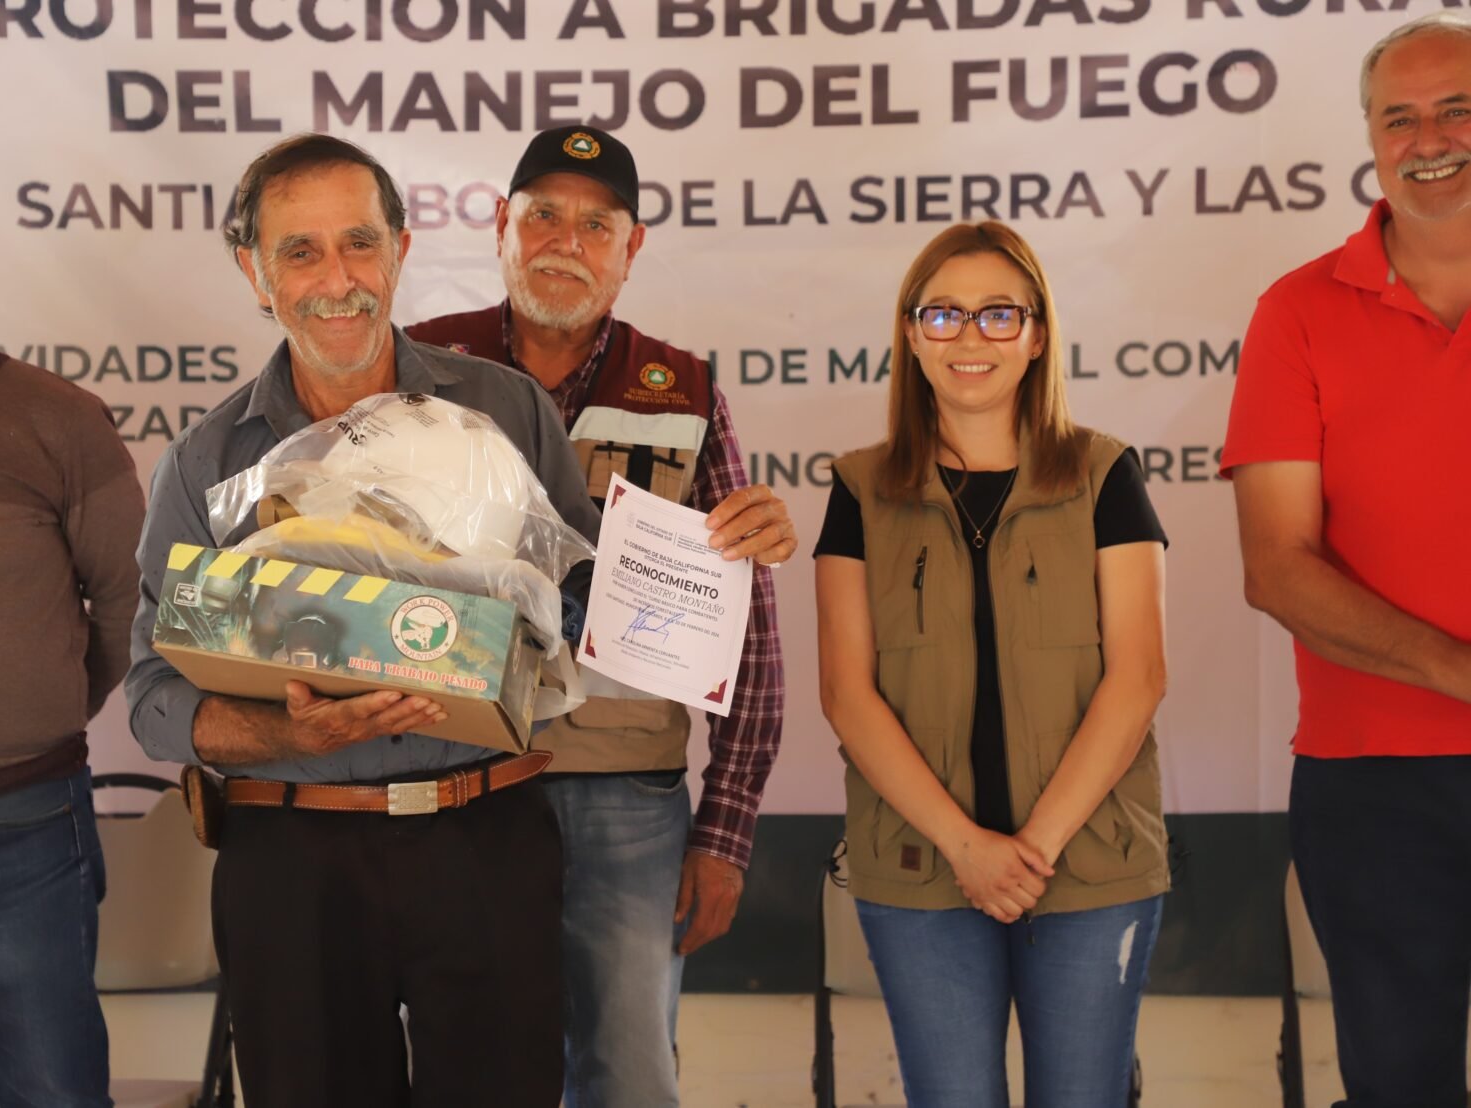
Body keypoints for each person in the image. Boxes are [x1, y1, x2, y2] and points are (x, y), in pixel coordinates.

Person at [123, 134, 603, 1108]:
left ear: (400, 249)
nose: (336, 279)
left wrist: (698, 561)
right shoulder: (208, 464)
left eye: (358, 244)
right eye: (300, 252)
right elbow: (152, 694)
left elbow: (586, 606)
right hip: (291, 861)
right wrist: (279, 730)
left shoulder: (504, 413)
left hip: (486, 838)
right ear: (254, 272)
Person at [406, 126, 791, 1108]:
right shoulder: (420, 369)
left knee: (629, 1078)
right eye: (542, 215)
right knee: (472, 1075)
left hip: (631, 802)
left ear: (632, 247)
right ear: (500, 226)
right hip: (461, 788)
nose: (564, 242)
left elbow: (754, 635)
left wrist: (725, 833)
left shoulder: (686, 390)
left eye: (594, 224)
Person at [814, 220, 1170, 1107]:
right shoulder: (859, 488)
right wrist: (969, 849)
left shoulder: (1104, 473)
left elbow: (1140, 679)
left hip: (1089, 867)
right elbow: (846, 695)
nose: (969, 338)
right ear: (910, 332)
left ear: (1038, 333)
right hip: (920, 871)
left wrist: (1030, 851)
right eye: (943, 315)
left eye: (998, 315)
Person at [1223, 13, 1471, 1107]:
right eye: (1401, 117)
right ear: (1371, 139)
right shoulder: (1299, 311)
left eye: (1459, 108)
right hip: (1376, 785)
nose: (1432, 138)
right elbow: (1278, 566)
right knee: (1399, 1085)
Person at [0, 187, 144, 1106]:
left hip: (13, 819)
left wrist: (38, 706)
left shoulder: (55, 419)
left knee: (52, 1091)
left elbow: (132, 603)